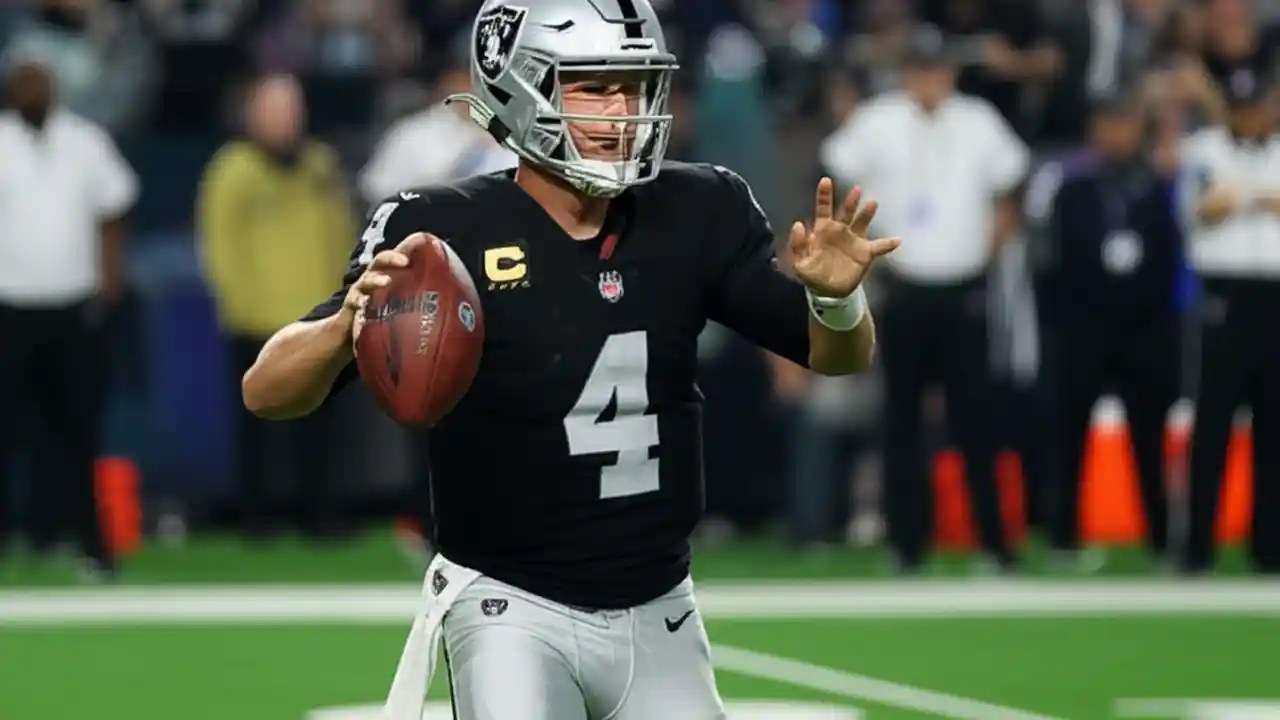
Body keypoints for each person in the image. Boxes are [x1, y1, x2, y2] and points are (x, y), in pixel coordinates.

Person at [241, 1, 899, 718]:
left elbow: (835, 357)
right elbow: (267, 390)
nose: (621, 111)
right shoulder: (438, 226)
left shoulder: (699, 207)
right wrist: (346, 324)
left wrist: (837, 302)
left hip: (661, 604)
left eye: (633, 85)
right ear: (517, 88)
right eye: (592, 85)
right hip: (509, 605)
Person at [820, 25, 1028, 572]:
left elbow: (1011, 187)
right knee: (901, 420)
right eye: (920, 68)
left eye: (937, 69)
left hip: (964, 287)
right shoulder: (880, 118)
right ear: (908, 71)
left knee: (975, 418)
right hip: (903, 283)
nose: (929, 80)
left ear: (951, 73)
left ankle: (994, 544)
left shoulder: (978, 121)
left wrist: (989, 250)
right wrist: (859, 243)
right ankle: (908, 543)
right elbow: (838, 172)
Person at [1026, 92, 1184, 567]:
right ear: (1094, 130)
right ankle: (1063, 537)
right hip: (1083, 331)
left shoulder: (1156, 189)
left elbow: (1169, 260)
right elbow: (1051, 265)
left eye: (1126, 123)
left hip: (1143, 333)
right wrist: (1063, 326)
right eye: (1108, 124)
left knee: (1149, 438)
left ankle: (1161, 539)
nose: (1117, 134)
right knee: (1068, 437)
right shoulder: (1070, 190)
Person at [198, 74, 354, 539]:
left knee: (321, 428)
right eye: (275, 111)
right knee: (258, 430)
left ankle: (320, 515)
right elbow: (219, 244)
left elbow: (340, 231)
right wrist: (238, 306)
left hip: (319, 317)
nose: (286, 121)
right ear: (253, 116)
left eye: (292, 110)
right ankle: (257, 517)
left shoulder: (320, 164)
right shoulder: (233, 170)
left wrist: (346, 300)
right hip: (256, 318)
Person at [0, 58, 138, 577]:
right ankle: (21, 533)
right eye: (22, 83)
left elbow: (115, 207)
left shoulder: (85, 142)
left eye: (39, 82)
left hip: (72, 308)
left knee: (78, 431)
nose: (31, 90)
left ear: (53, 90)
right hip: (9, 306)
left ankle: (90, 544)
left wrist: (109, 284)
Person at [1180, 68, 1280, 574]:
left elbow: (1225, 200)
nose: (1249, 116)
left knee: (1274, 429)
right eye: (1239, 107)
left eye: (1256, 105)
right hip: (1224, 296)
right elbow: (1198, 207)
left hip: (1275, 295)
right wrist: (1258, 197)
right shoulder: (1205, 149)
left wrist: (1238, 195)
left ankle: (1270, 547)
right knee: (1213, 423)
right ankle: (1198, 546)